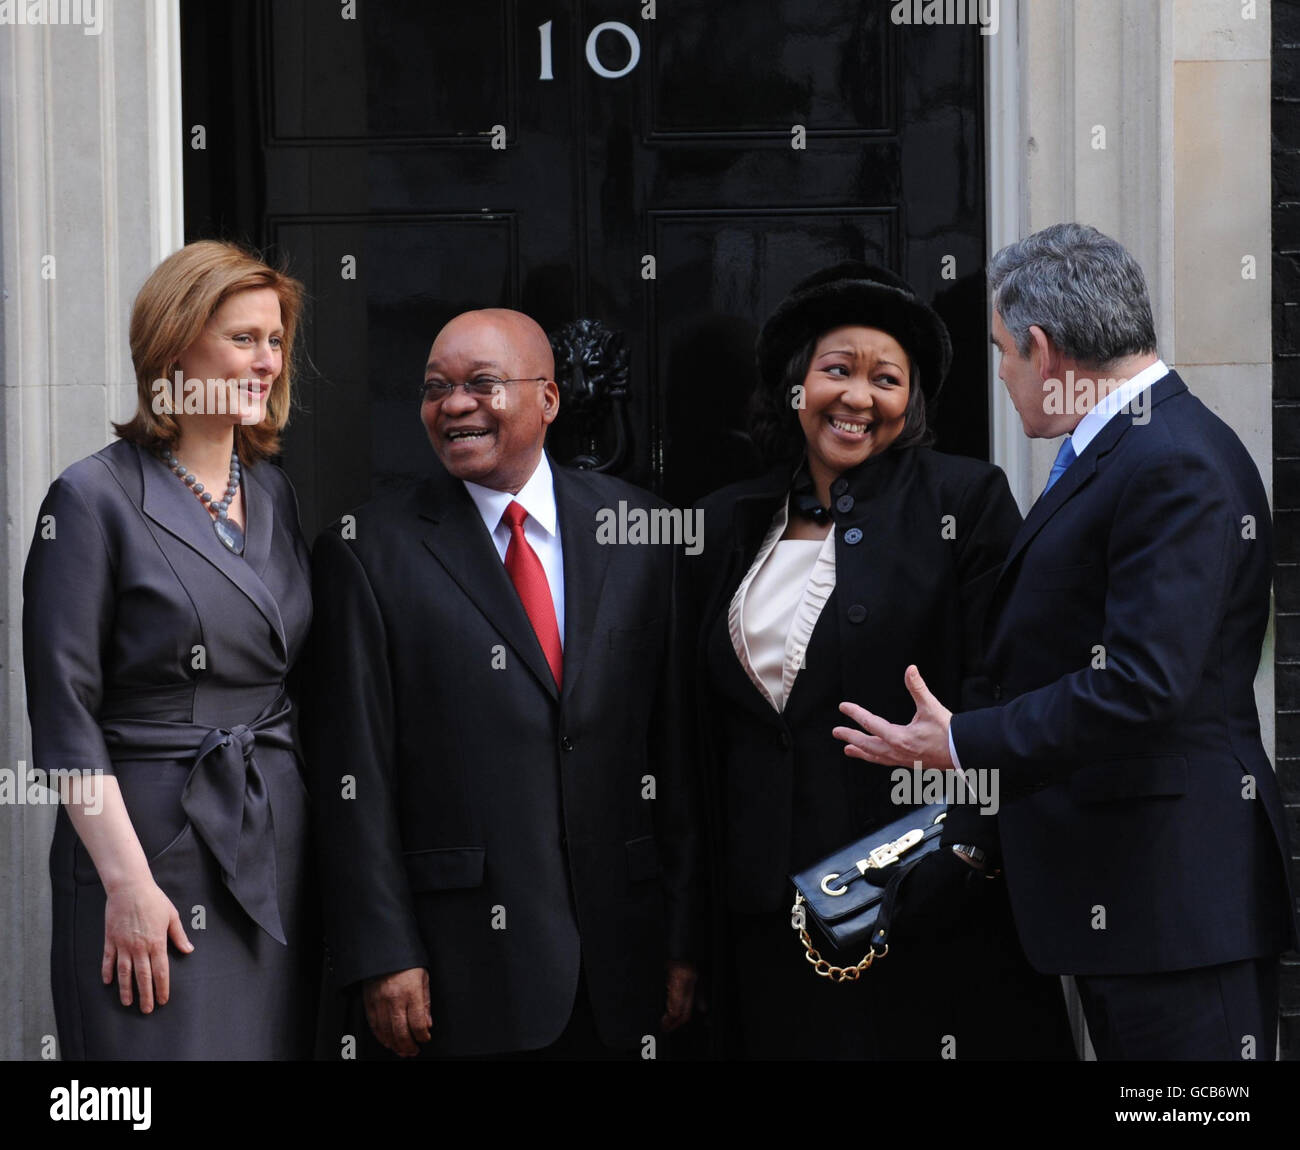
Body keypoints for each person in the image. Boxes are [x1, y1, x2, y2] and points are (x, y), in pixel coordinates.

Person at [835, 223, 1298, 1060]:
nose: (1003, 373)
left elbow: (1142, 684)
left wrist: (961, 740)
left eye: (1004, 351)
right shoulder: (1131, 447)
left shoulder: (1171, 460)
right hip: (1131, 900)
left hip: (1175, 905)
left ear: (1045, 352)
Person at [690, 262, 1076, 1060]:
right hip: (759, 915)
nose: (858, 397)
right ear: (797, 385)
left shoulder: (964, 501)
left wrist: (965, 846)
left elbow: (1005, 686)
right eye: (836, 370)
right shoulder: (726, 521)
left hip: (916, 903)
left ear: (912, 402)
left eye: (886, 379)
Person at [304, 307, 702, 1059]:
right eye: (435, 389)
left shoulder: (643, 532)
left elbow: (675, 752)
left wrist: (685, 937)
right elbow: (354, 776)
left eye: (482, 384)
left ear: (549, 399)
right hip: (462, 972)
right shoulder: (367, 553)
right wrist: (384, 953)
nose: (454, 406)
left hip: (625, 959)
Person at [22, 240, 317, 1059]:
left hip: (273, 839)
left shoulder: (273, 491)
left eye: (275, 339)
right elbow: (64, 712)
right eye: (243, 338)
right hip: (150, 847)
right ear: (177, 344)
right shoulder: (90, 499)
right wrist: (124, 881)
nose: (267, 360)